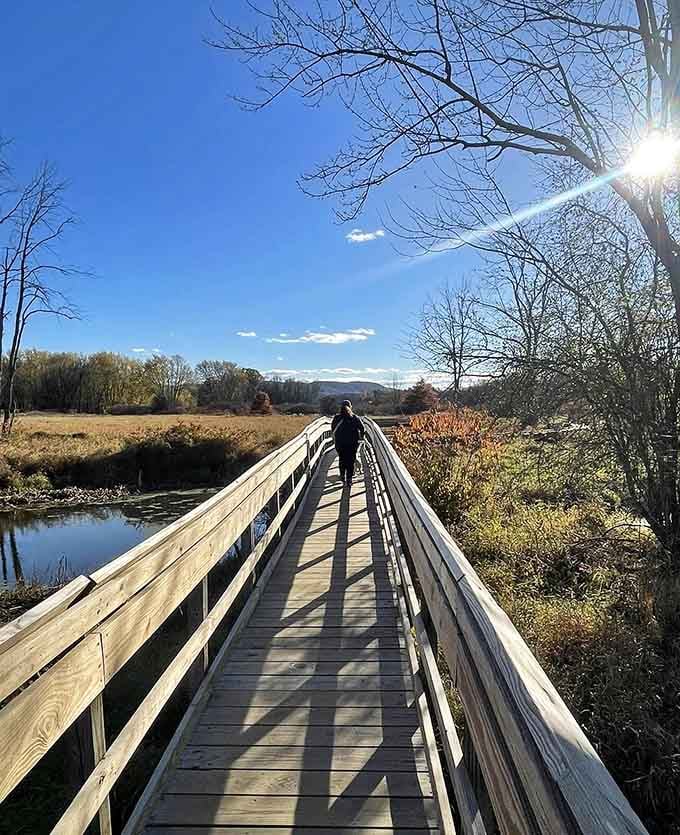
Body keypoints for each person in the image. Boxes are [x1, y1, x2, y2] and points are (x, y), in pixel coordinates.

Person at [331, 399, 365, 487]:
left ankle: (342, 476)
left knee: (342, 459)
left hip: (340, 443)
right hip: (352, 443)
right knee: (351, 460)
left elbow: (332, 429)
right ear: (350, 407)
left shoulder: (336, 418)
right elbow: (362, 428)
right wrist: (361, 437)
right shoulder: (354, 417)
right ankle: (349, 480)